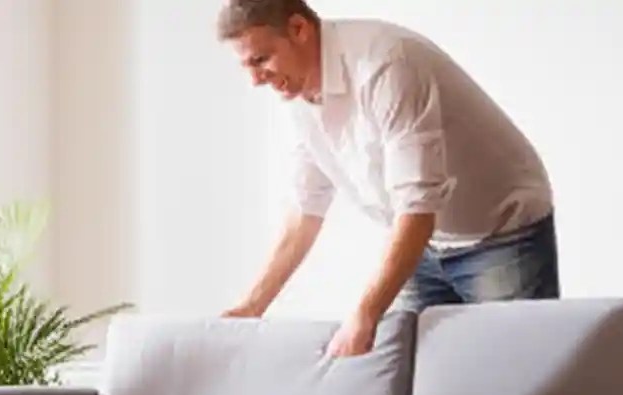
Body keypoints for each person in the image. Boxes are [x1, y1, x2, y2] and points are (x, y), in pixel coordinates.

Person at [216, 0, 559, 357]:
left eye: (261, 59)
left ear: (299, 29)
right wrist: (252, 306)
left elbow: (417, 207)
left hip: (500, 231)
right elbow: (305, 208)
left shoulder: (386, 64)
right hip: (425, 242)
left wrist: (364, 315)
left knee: (516, 370)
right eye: (246, 66)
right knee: (402, 370)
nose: (255, 80)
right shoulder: (298, 94)